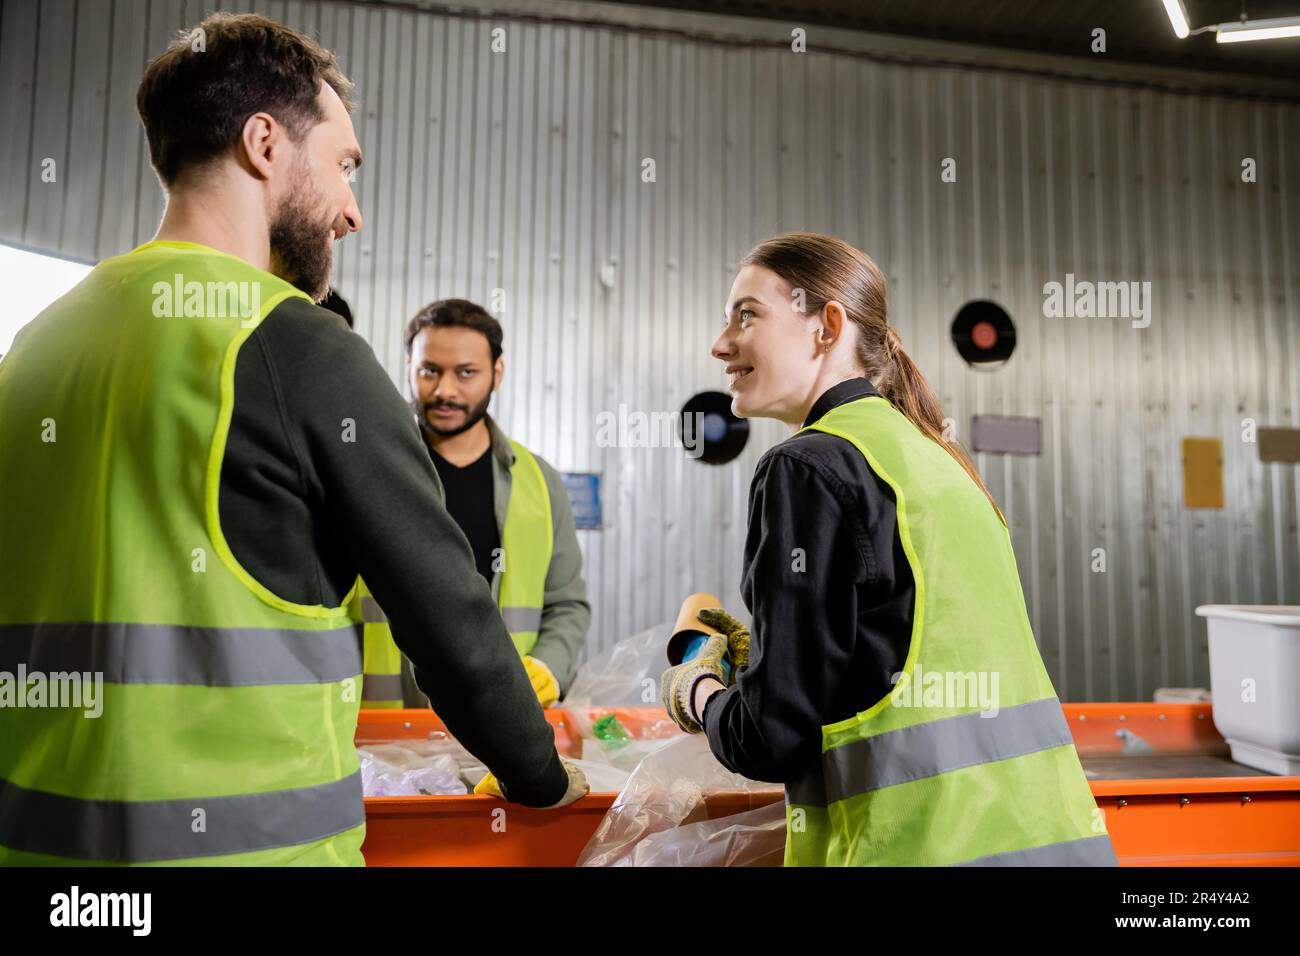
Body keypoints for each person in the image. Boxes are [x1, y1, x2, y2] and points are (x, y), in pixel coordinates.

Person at [0, 13, 584, 867]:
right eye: (344, 165)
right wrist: (540, 776)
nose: (352, 210)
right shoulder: (296, 348)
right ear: (265, 144)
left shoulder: (35, 343)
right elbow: (451, 622)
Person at [660, 232, 1116, 867]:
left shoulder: (805, 468)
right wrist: (776, 658)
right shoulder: (937, 460)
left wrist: (698, 688)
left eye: (746, 314)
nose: (720, 342)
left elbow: (770, 740)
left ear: (828, 326)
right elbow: (892, 653)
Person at [358, 299, 590, 711]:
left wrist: (548, 667)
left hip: (506, 724)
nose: (445, 390)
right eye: (429, 371)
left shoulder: (539, 482)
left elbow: (566, 604)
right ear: (409, 367)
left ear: (496, 374)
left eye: (466, 373)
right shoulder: (367, 473)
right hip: (388, 734)